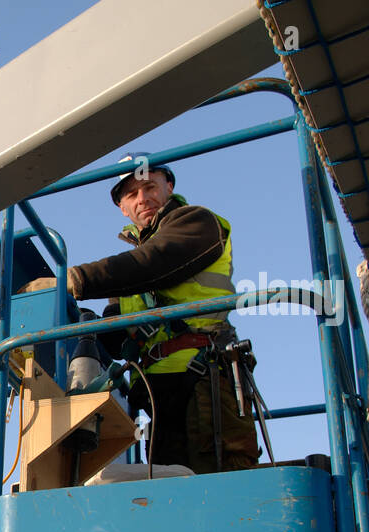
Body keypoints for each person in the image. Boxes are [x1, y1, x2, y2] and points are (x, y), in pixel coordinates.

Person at [64, 155, 259, 474]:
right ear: (122, 208)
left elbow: (157, 262)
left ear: (168, 186)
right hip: (158, 395)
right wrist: (80, 325)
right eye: (131, 194)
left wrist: (75, 280)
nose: (143, 198)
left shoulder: (197, 223)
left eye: (150, 186)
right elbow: (116, 341)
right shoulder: (129, 272)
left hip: (206, 378)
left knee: (222, 479)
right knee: (170, 490)